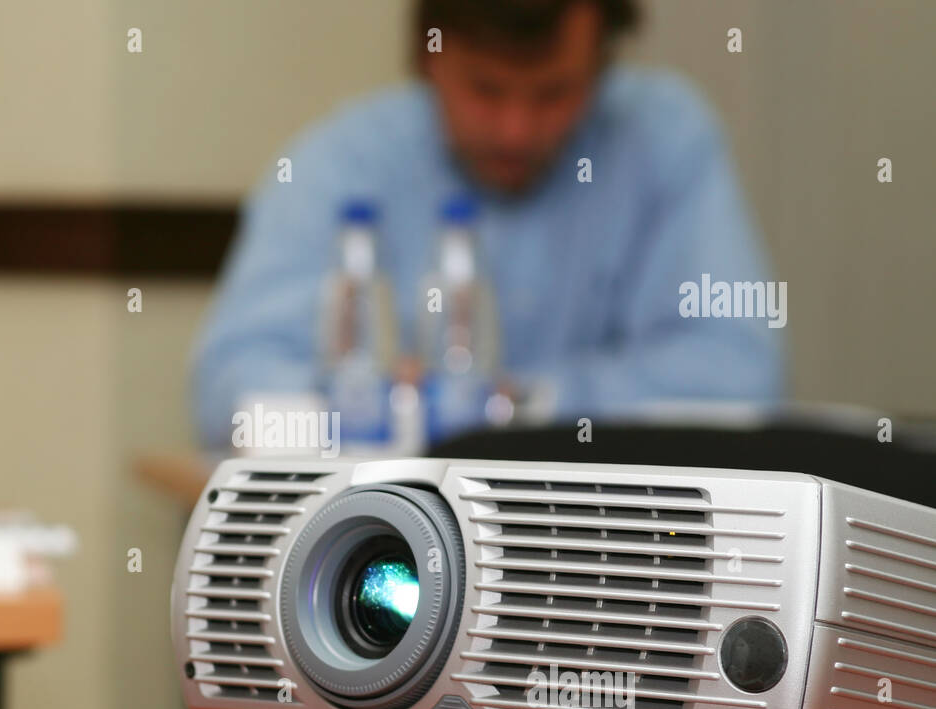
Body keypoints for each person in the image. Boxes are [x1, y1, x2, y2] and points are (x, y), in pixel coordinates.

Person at [189, 0, 785, 450]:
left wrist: (516, 404)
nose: (515, 130)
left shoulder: (668, 141)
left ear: (603, 64)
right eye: (485, 90)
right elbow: (229, 392)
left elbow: (738, 375)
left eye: (554, 93)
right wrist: (377, 406)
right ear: (428, 57)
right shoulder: (340, 163)